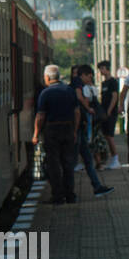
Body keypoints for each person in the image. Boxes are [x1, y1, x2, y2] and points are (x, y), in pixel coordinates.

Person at [32, 64, 80, 205]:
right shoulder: (69, 90)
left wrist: (35, 134)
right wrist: (75, 131)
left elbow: (40, 116)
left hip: (52, 130)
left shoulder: (45, 93)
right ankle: (70, 195)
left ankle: (58, 196)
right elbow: (77, 112)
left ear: (47, 77)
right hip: (68, 129)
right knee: (68, 163)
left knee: (54, 164)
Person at [70, 65, 115, 196]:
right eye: (89, 76)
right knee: (73, 160)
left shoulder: (76, 84)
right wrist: (88, 107)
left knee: (87, 159)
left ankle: (97, 187)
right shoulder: (77, 83)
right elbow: (78, 97)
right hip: (77, 128)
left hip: (80, 127)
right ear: (83, 75)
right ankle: (68, 191)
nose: (90, 78)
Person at [97, 61, 121, 169]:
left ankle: (115, 158)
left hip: (110, 113)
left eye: (102, 68)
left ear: (107, 69)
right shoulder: (103, 83)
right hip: (104, 113)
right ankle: (112, 158)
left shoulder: (113, 82)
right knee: (106, 135)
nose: (101, 71)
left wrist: (109, 110)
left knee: (110, 136)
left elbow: (115, 97)